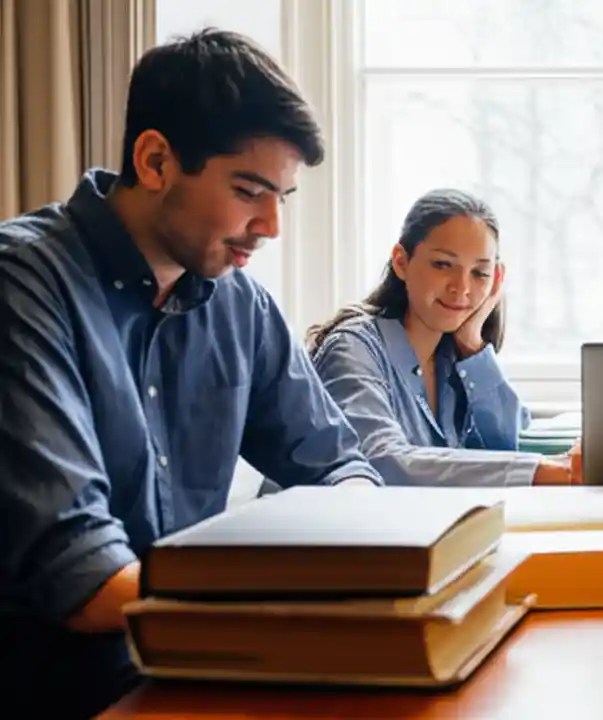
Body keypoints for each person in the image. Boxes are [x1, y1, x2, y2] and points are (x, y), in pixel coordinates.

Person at [0, 30, 380, 718]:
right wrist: (286, 600)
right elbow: (82, 580)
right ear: (155, 160)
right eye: (248, 190)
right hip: (62, 691)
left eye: (282, 198)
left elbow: (341, 467)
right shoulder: (22, 285)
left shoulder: (240, 304)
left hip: (195, 673)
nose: (269, 226)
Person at [309, 189, 577, 486]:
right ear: (401, 262)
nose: (462, 288)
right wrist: (549, 472)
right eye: (442, 265)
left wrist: (473, 346)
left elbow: (507, 443)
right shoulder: (353, 349)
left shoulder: (452, 358)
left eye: (479, 273)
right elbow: (380, 460)